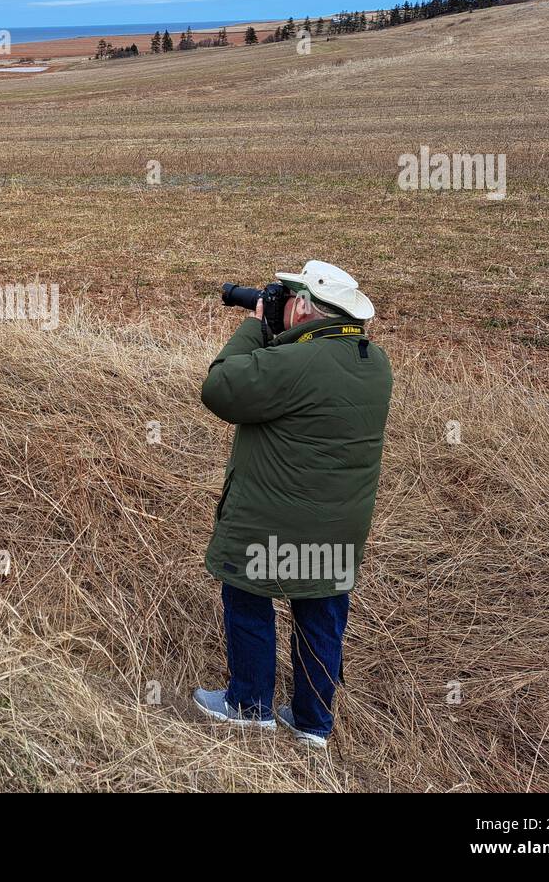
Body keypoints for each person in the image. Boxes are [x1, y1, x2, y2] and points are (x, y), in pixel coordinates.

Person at [192, 261, 393, 747]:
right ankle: (312, 724)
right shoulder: (375, 362)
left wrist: (254, 326)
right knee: (320, 614)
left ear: (303, 306)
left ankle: (250, 705)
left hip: (272, 521)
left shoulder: (296, 361)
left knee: (248, 597)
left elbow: (220, 388)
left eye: (289, 299)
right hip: (339, 525)